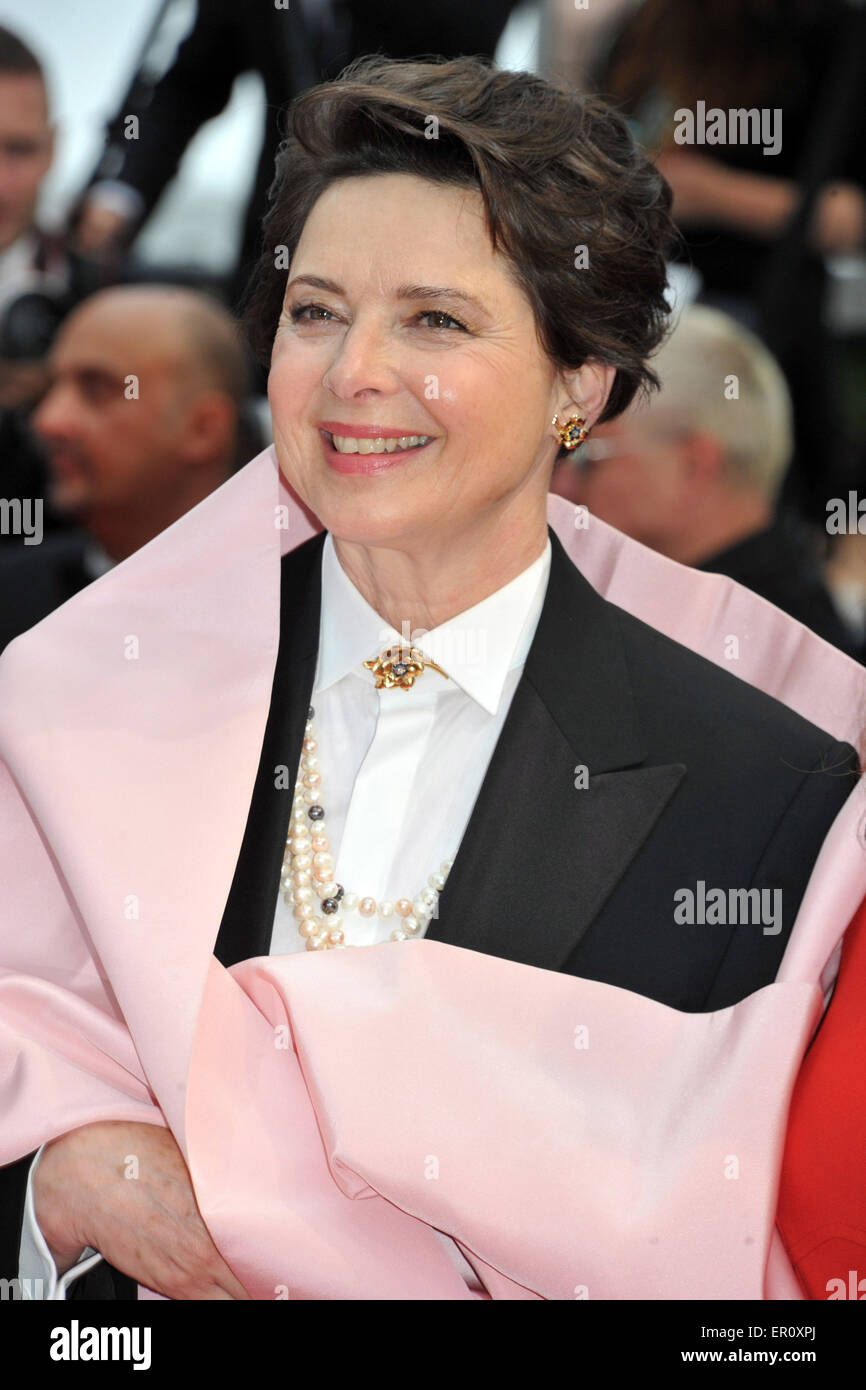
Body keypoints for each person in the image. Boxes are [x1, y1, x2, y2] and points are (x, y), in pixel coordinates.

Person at [0, 54, 859, 1302]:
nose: (353, 374)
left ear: (580, 383)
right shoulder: (79, 705)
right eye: (316, 311)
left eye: (434, 320)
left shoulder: (764, 787)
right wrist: (50, 1193)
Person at [552, 304, 859, 655]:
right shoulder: (785, 629)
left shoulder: (726, 659)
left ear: (692, 469)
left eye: (587, 457)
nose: (560, 485)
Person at [0, 283, 254, 654]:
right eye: (51, 388)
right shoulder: (11, 598)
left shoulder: (299, 612)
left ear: (204, 428)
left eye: (96, 390)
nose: (48, 421)